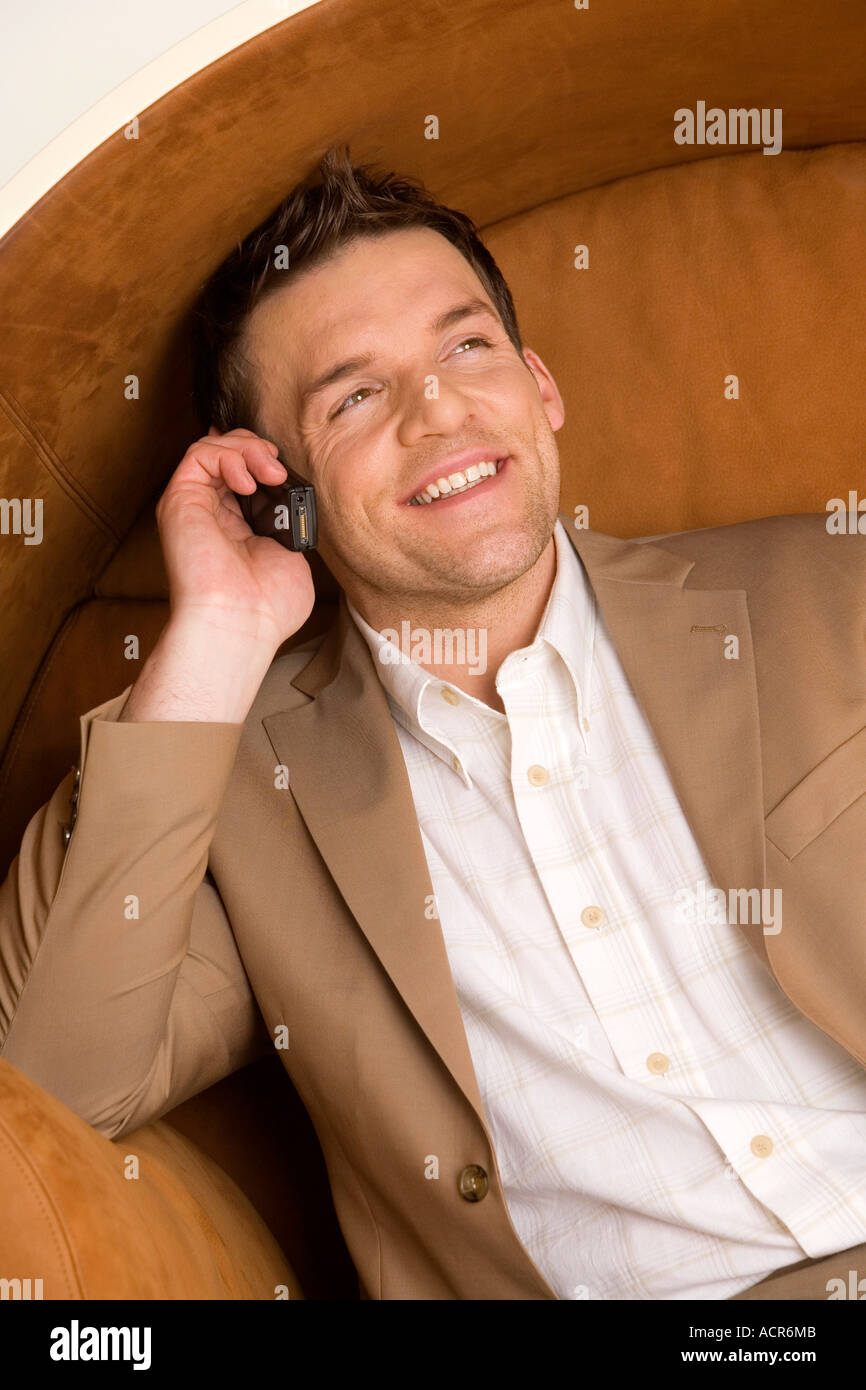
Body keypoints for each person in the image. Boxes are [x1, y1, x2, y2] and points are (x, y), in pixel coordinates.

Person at [2, 145, 865, 1302]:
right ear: (277, 490)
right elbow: (51, 1085)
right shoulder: (244, 796)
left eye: (465, 346)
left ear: (537, 385)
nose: (438, 407)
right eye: (354, 395)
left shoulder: (829, 587)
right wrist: (216, 631)